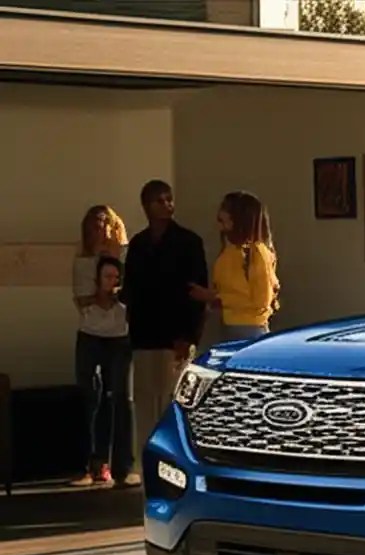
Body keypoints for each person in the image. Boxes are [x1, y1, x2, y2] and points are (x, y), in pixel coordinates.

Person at [119, 179, 209, 453]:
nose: (167, 205)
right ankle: (147, 462)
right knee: (146, 402)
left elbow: (197, 293)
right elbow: (131, 288)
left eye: (170, 199)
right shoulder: (137, 244)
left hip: (176, 336)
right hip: (144, 335)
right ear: (146, 205)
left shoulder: (189, 242)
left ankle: (175, 462)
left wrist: (189, 336)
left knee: (174, 402)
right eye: (160, 200)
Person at [69, 207, 137, 488]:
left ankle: (123, 466)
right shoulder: (83, 261)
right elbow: (83, 299)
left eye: (106, 225)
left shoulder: (125, 254)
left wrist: (107, 291)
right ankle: (90, 465)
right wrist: (105, 292)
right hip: (90, 334)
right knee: (89, 398)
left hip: (120, 335)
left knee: (120, 398)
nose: (101, 231)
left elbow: (127, 295)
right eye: (95, 226)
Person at [189, 191, 281, 341]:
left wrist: (216, 298)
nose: (220, 213)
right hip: (229, 327)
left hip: (251, 330)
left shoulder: (257, 253)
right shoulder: (230, 251)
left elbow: (260, 301)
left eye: (226, 209)